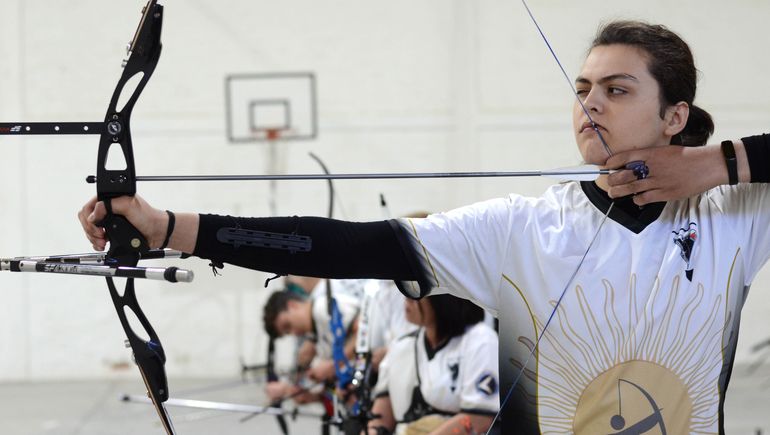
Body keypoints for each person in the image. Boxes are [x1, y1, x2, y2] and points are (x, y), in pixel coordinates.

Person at [78, 20, 770, 434]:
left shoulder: (733, 216)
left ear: (675, 116)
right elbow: (348, 245)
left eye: (617, 90)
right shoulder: (521, 227)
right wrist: (168, 227)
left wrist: (719, 164)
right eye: (583, 89)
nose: (590, 104)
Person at [368, 293, 498, 435]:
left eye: (417, 290)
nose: (407, 298)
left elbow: (479, 419)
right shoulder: (400, 346)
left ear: (445, 297)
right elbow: (380, 419)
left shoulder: (481, 341)